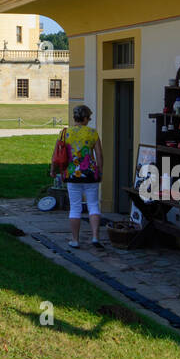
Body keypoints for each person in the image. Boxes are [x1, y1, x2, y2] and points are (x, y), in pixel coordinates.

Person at [52, 103, 104, 249]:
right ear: (86, 117)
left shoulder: (65, 133)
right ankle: (95, 237)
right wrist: (100, 170)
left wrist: (53, 170)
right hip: (90, 174)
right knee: (93, 205)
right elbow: (99, 154)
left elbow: (56, 153)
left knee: (75, 207)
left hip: (72, 174)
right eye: (89, 117)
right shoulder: (92, 133)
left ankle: (75, 240)